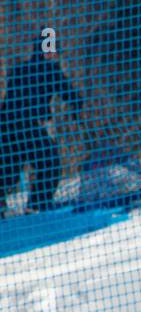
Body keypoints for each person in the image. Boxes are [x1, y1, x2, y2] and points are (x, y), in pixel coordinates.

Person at [0, 38, 82, 216]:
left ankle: (25, 205)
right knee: (49, 164)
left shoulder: (20, 69)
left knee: (10, 170)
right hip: (26, 126)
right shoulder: (50, 71)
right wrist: (78, 106)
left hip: (8, 126)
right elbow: (70, 94)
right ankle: (37, 206)